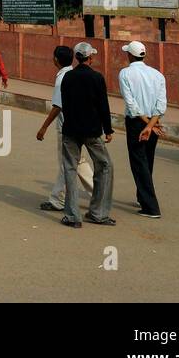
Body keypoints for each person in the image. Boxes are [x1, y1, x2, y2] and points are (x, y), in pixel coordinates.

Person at [58, 43, 115, 228]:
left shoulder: (68, 77)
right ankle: (98, 212)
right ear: (90, 58)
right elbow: (103, 106)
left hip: (71, 130)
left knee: (70, 169)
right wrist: (108, 129)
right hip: (92, 131)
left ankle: (73, 216)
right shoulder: (97, 78)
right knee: (105, 166)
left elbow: (65, 104)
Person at [36, 45, 94, 213]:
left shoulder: (63, 78)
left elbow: (57, 106)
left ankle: (57, 199)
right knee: (79, 162)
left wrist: (43, 127)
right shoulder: (73, 74)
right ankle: (98, 194)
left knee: (66, 164)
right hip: (78, 126)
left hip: (66, 128)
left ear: (55, 59)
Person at [118, 41, 167, 219]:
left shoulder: (125, 73)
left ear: (130, 55)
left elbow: (131, 104)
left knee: (139, 162)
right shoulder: (158, 75)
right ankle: (142, 197)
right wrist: (152, 124)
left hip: (137, 122)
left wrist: (146, 125)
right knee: (148, 160)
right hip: (153, 122)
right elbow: (161, 105)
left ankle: (150, 207)